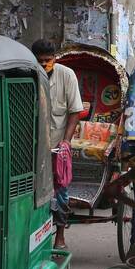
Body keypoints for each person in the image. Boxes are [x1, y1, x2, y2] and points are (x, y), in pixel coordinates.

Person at [31, 39, 84, 248]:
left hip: (57, 147)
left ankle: (60, 236)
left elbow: (75, 111)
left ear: (54, 58)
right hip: (34, 147)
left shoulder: (66, 75)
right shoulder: (29, 73)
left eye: (48, 60)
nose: (44, 64)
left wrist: (66, 142)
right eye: (40, 61)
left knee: (61, 192)